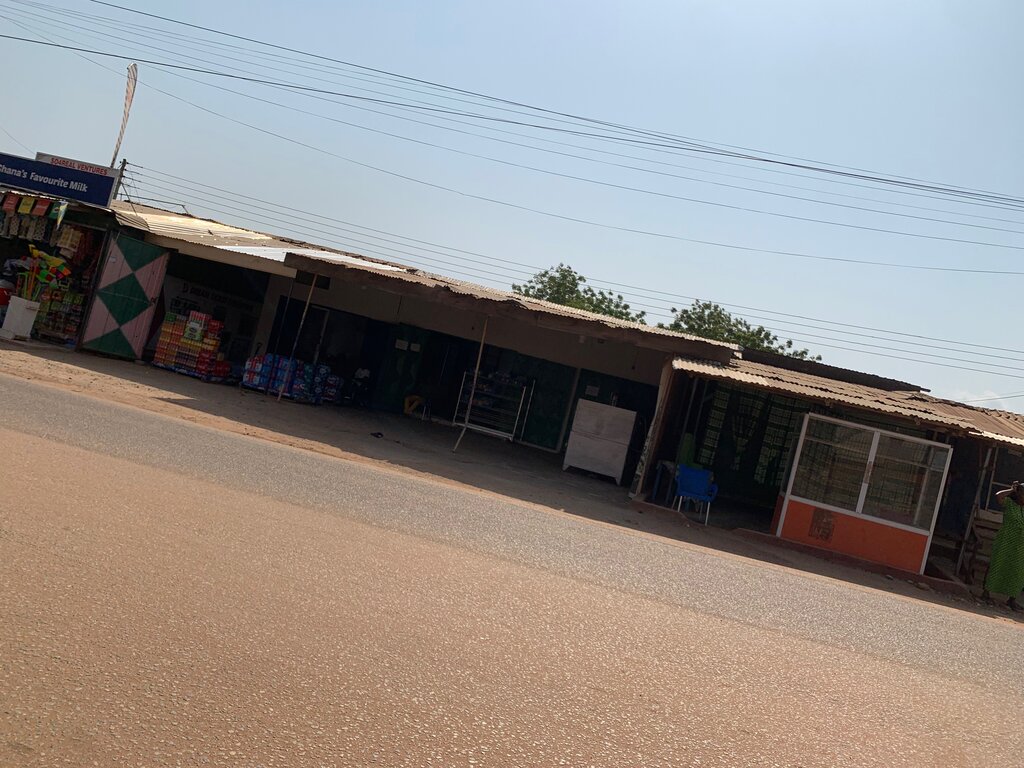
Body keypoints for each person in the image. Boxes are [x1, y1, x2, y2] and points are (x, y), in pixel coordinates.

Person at [982, 480, 1024, 611]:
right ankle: (986, 592)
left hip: (1020, 545)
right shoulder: (1010, 504)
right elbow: (998, 496)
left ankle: (1012, 599)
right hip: (1005, 541)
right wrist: (1012, 489)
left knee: (1018, 571)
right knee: (997, 564)